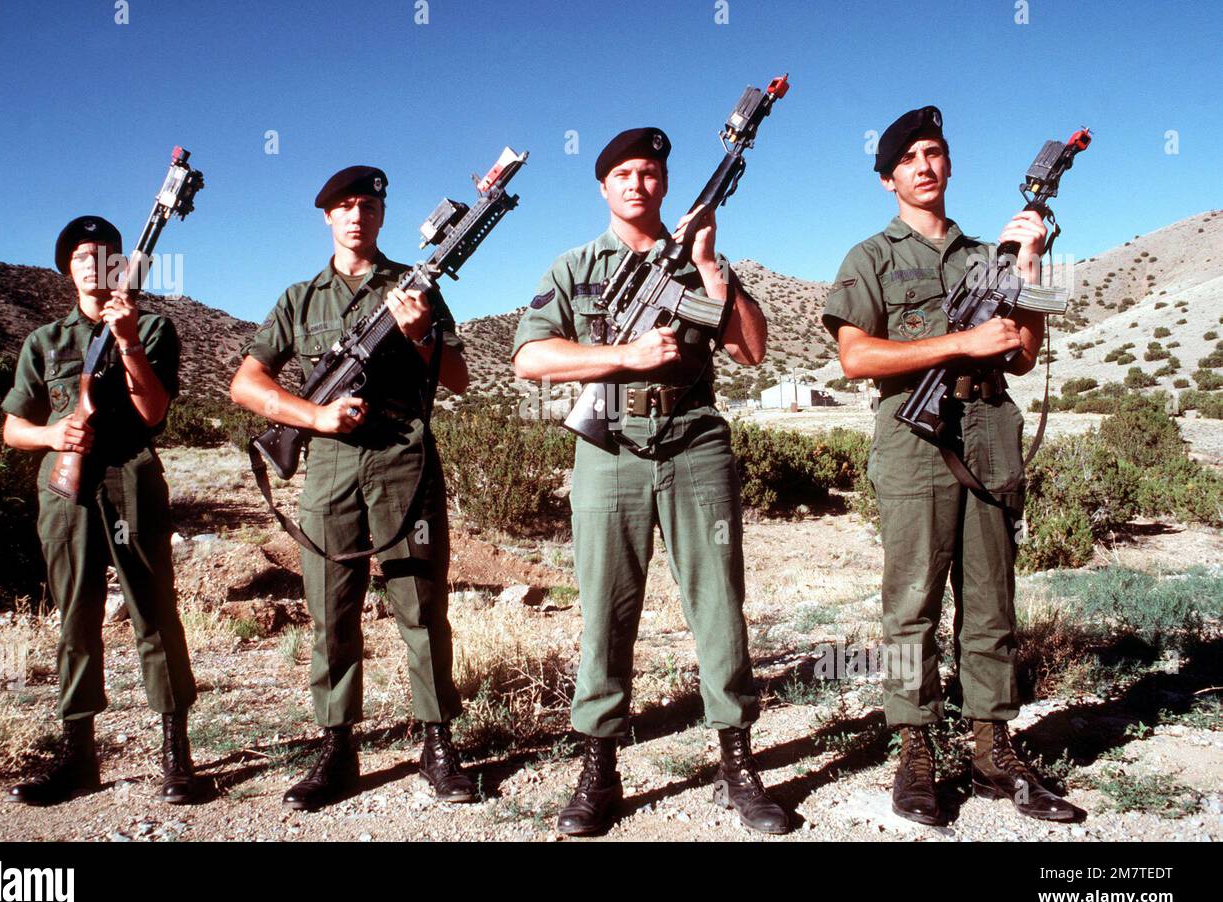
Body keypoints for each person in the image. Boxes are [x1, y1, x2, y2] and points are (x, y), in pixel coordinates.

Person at [512, 128, 789, 836]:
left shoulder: (699, 260)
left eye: (650, 172)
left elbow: (752, 348)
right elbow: (531, 357)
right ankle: (598, 770)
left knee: (719, 607)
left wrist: (710, 267)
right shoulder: (575, 265)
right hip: (611, 449)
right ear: (604, 187)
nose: (638, 183)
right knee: (606, 611)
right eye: (624, 174)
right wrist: (624, 355)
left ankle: (737, 763)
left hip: (694, 438)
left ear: (665, 184)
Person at [821, 106, 1082, 824]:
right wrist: (955, 344)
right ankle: (915, 750)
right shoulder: (869, 258)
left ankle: (993, 749)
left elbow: (1023, 356)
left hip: (990, 425)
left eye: (935, 153)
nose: (926, 166)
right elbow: (856, 357)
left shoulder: (985, 257)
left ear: (950, 166)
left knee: (992, 598)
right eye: (910, 159)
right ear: (889, 179)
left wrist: (1027, 269)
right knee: (912, 602)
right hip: (912, 434)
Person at [230, 165, 475, 811]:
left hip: (401, 456)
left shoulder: (412, 287)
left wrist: (420, 331)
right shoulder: (299, 298)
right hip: (331, 464)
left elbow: (458, 377)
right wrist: (313, 417)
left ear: (380, 215)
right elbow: (247, 384)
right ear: (327, 218)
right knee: (331, 609)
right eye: (343, 206)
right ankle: (336, 747)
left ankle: (438, 744)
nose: (355, 215)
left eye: (366, 204)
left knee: (420, 605)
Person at [2, 215, 199, 805]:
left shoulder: (154, 327)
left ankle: (176, 755)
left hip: (130, 479)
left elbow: (154, 412)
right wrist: (54, 434)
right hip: (66, 489)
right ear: (68, 268)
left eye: (106, 254)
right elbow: (14, 428)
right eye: (82, 254)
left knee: (154, 614)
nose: (93, 261)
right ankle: (77, 756)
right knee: (76, 617)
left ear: (121, 266)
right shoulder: (44, 341)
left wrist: (129, 340)